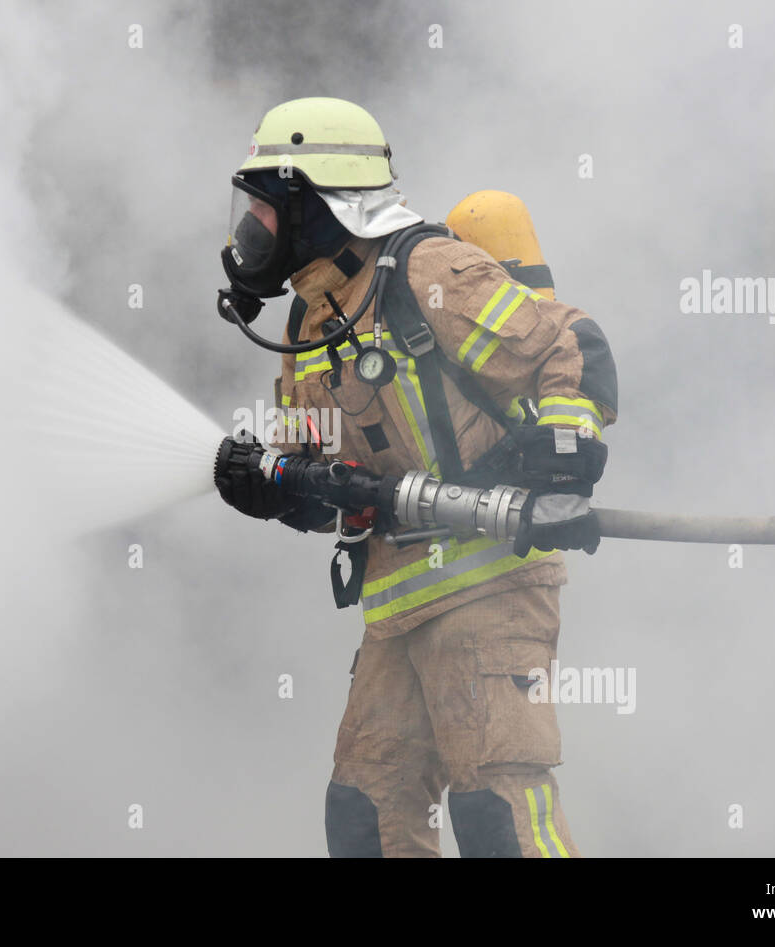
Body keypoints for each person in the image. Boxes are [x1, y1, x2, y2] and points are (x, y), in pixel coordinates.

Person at [215, 97, 618, 857]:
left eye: (265, 209)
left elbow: (567, 344)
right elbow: (318, 475)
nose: (250, 230)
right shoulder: (307, 324)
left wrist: (565, 445)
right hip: (396, 605)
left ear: (317, 201)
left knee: (496, 812)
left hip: (491, 585)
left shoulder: (429, 270)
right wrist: (273, 485)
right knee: (365, 813)